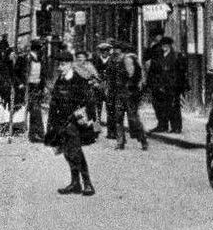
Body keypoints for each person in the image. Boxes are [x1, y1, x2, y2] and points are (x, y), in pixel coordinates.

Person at [45, 50, 98, 196]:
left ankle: (87, 184)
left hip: (75, 123)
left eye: (62, 64)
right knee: (68, 153)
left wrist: (86, 117)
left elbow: (90, 101)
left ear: (70, 64)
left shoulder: (79, 80)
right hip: (61, 123)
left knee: (76, 152)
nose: (59, 67)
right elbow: (53, 104)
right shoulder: (60, 80)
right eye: (59, 65)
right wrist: (50, 125)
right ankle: (75, 183)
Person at [146, 36, 187, 134]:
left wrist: (180, 88)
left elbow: (181, 73)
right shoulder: (157, 56)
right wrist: (150, 84)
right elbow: (152, 71)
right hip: (158, 86)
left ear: (169, 45)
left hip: (172, 86)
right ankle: (162, 125)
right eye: (162, 45)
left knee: (173, 106)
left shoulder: (176, 56)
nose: (164, 47)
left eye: (166, 45)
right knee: (159, 106)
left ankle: (176, 127)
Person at [108, 51, 148, 150]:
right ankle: (120, 142)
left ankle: (143, 139)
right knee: (118, 118)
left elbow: (132, 75)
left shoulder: (127, 59)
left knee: (133, 118)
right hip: (119, 94)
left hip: (129, 94)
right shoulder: (114, 61)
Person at [21, 40, 47, 142]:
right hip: (30, 87)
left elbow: (42, 74)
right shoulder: (28, 59)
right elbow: (22, 72)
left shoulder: (38, 59)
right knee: (35, 110)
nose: (42, 51)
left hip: (37, 87)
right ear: (37, 49)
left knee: (35, 110)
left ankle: (34, 134)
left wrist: (42, 86)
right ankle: (37, 134)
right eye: (40, 49)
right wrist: (22, 83)